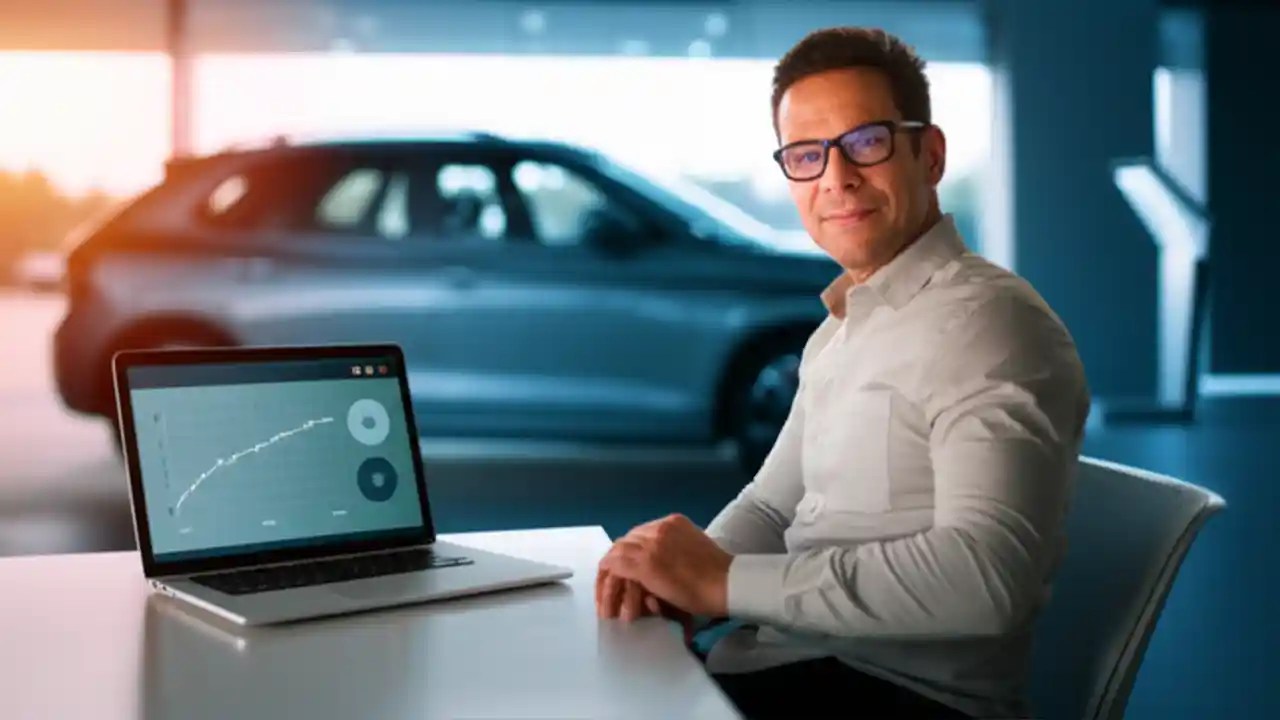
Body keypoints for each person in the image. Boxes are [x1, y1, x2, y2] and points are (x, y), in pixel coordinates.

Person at [595, 25, 1091, 720]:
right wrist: (680, 583)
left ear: (930, 155)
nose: (836, 177)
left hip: (896, 694)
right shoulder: (840, 329)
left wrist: (725, 583)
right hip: (787, 665)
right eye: (807, 154)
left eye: (865, 142)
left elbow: (987, 577)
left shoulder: (989, 323)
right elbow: (772, 507)